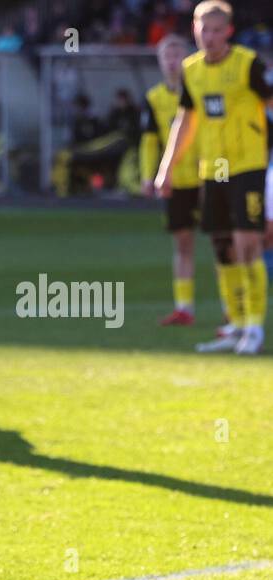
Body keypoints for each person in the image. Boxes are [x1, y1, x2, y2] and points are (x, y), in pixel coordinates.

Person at [154, 0, 272, 355]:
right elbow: (186, 121)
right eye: (204, 30)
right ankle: (235, 324)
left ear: (229, 32)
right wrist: (166, 168)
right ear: (195, 30)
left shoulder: (248, 65)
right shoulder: (191, 70)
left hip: (248, 164)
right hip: (214, 168)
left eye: (217, 30)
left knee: (248, 244)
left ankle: (254, 326)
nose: (210, 37)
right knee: (222, 247)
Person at [140, 33, 235, 328]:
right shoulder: (154, 98)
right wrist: (149, 175)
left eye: (177, 56)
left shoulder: (204, 90)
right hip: (177, 181)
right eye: (167, 57)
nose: (172, 62)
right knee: (183, 243)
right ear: (159, 62)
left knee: (222, 242)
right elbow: (149, 141)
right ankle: (184, 308)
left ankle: (231, 309)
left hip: (208, 177)